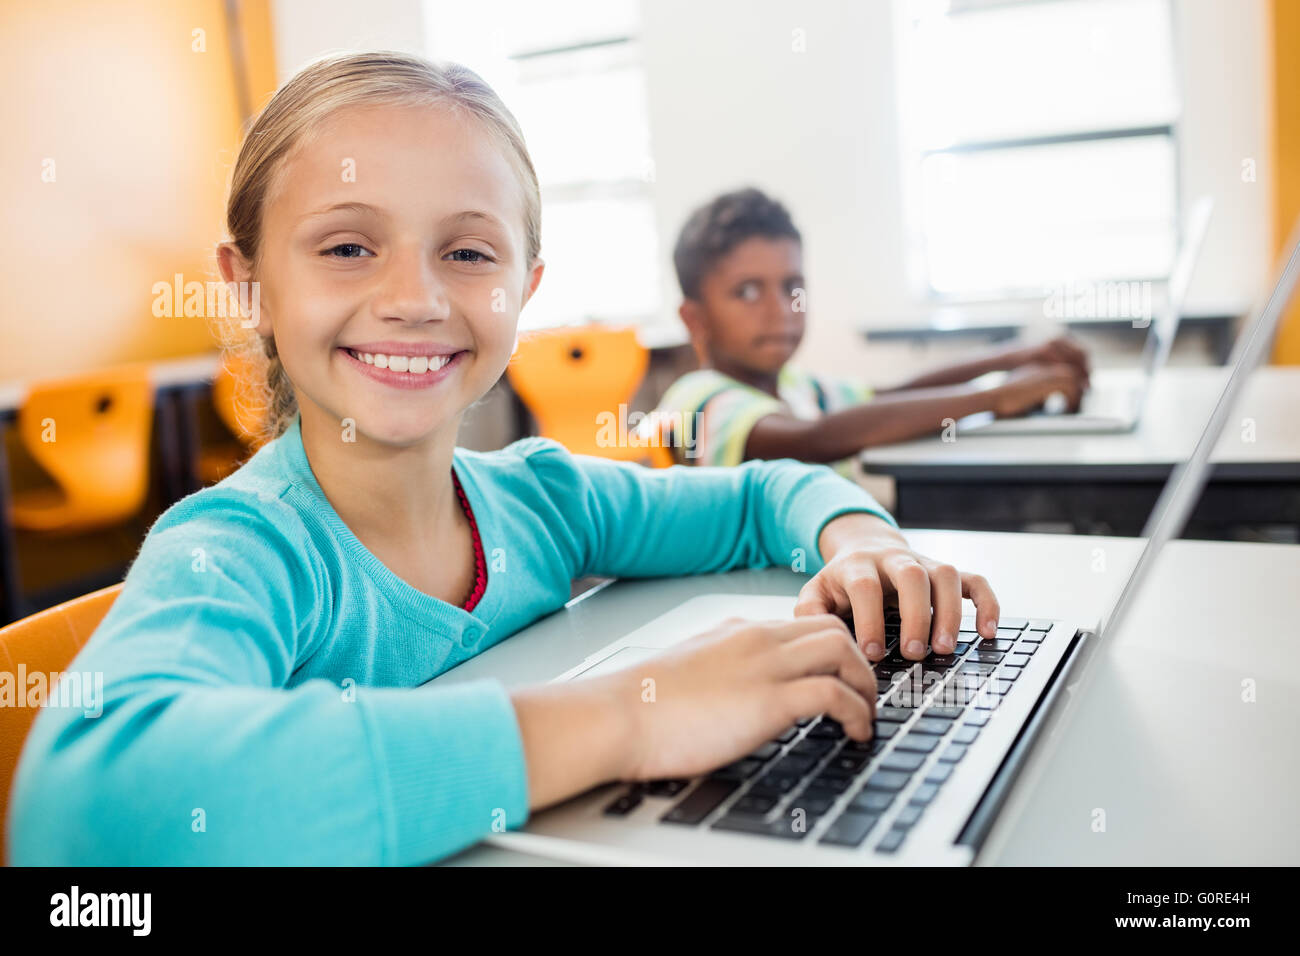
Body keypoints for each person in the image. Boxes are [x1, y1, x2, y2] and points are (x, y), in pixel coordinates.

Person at [7, 54, 999, 865]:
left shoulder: (542, 497)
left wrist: (862, 537)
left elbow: (765, 493)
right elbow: (86, 807)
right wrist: (628, 717)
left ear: (524, 288)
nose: (415, 297)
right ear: (250, 283)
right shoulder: (236, 551)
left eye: (467, 252)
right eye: (347, 247)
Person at [654, 188, 1091, 474]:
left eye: (792, 286)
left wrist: (1012, 357)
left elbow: (891, 397)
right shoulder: (699, 400)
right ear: (696, 319)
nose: (780, 310)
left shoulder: (793, 387)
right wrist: (995, 396)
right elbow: (816, 440)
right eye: (747, 292)